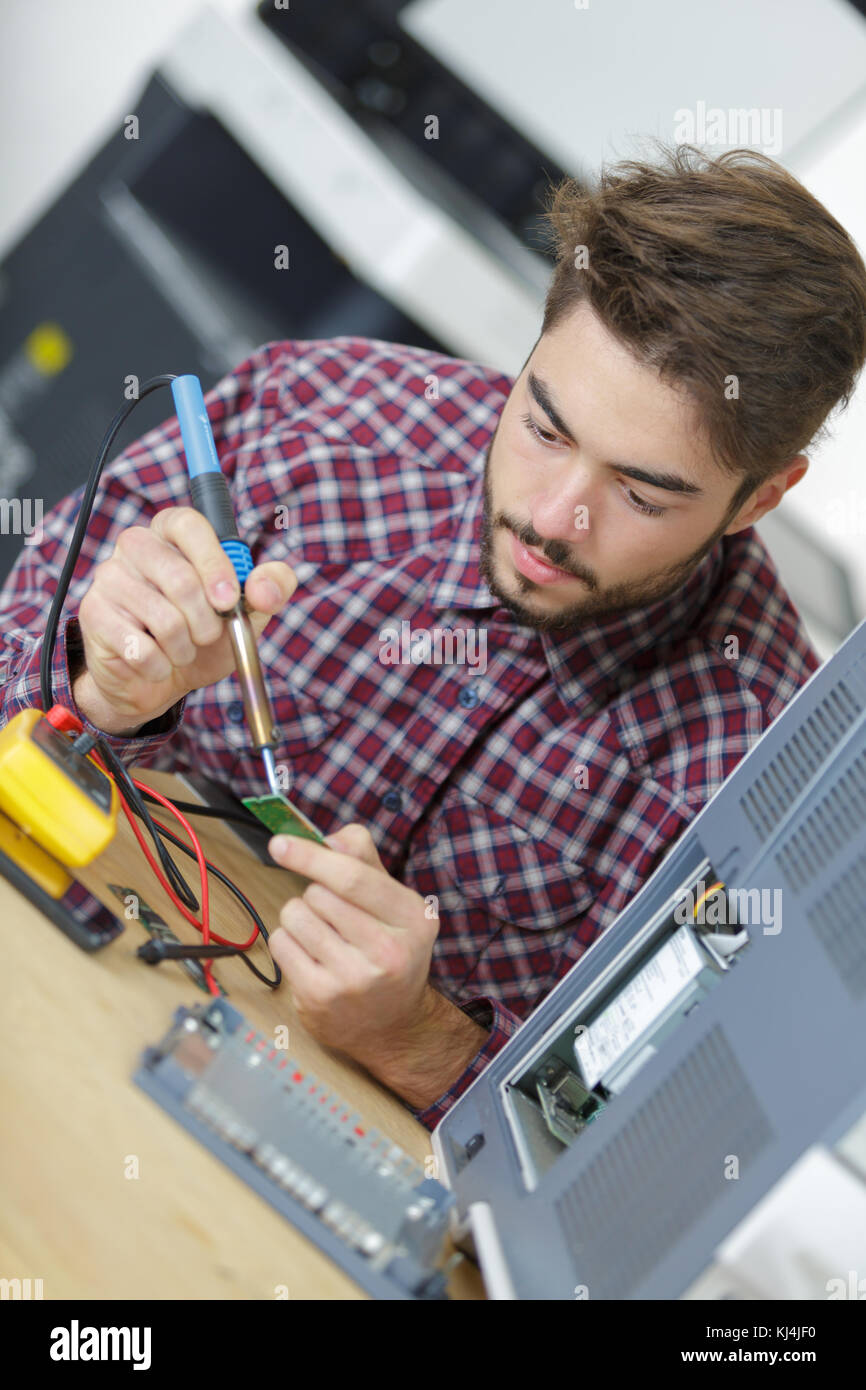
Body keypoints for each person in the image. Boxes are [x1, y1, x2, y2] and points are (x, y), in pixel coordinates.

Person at [2, 144, 865, 1130]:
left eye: (637, 492)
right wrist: (96, 688)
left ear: (760, 496)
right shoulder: (313, 418)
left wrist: (425, 1045)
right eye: (543, 429)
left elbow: (670, 1149)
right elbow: (11, 661)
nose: (551, 518)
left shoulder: (765, 788)